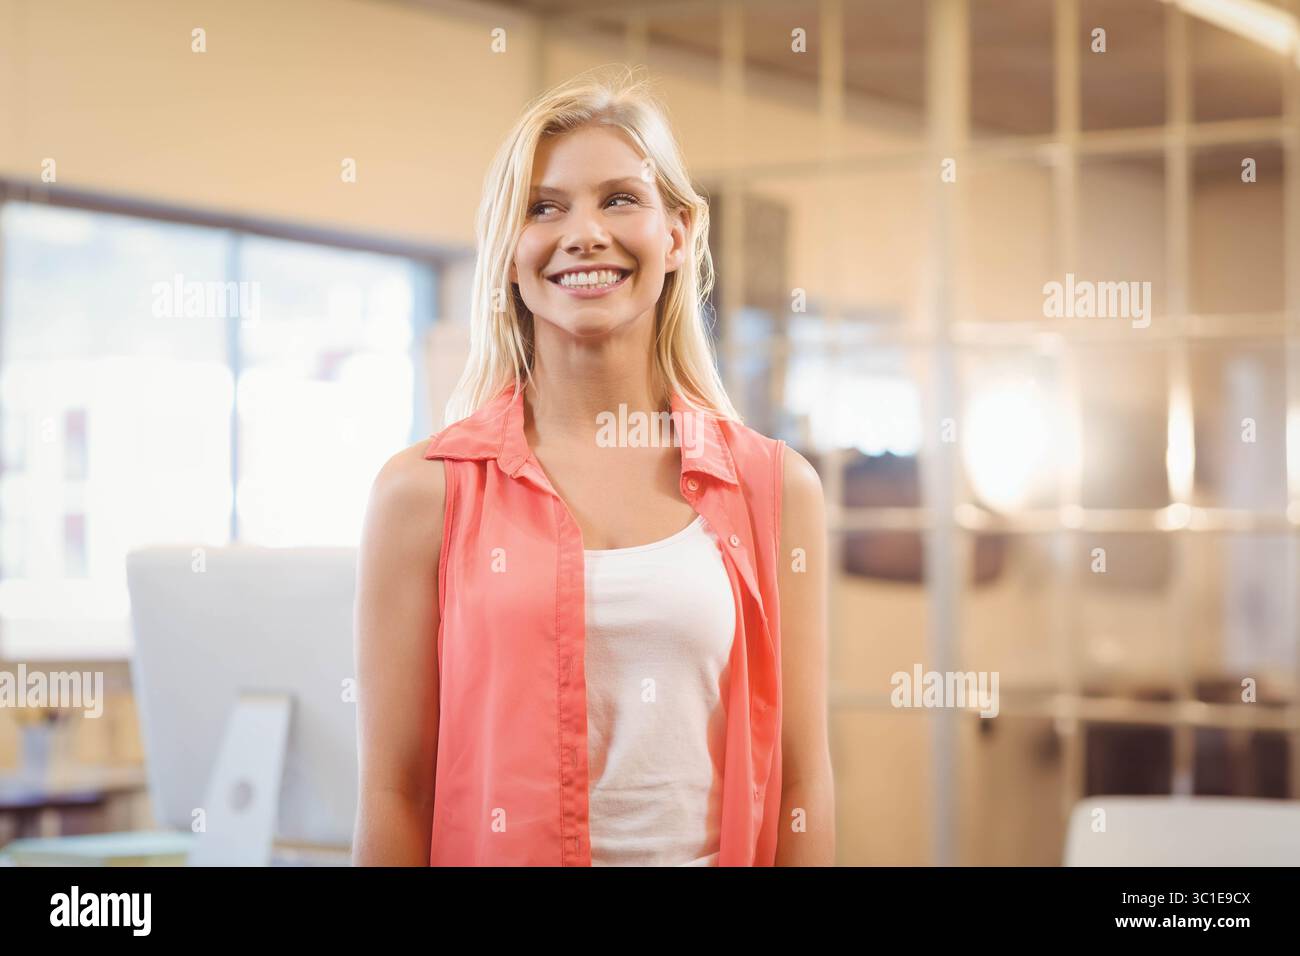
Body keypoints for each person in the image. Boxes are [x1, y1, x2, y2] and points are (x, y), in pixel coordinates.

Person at [353, 64, 834, 866]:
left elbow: (801, 784)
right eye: (545, 208)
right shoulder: (422, 493)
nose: (584, 233)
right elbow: (394, 792)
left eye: (620, 199)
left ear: (677, 234)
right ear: (509, 254)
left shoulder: (776, 490)